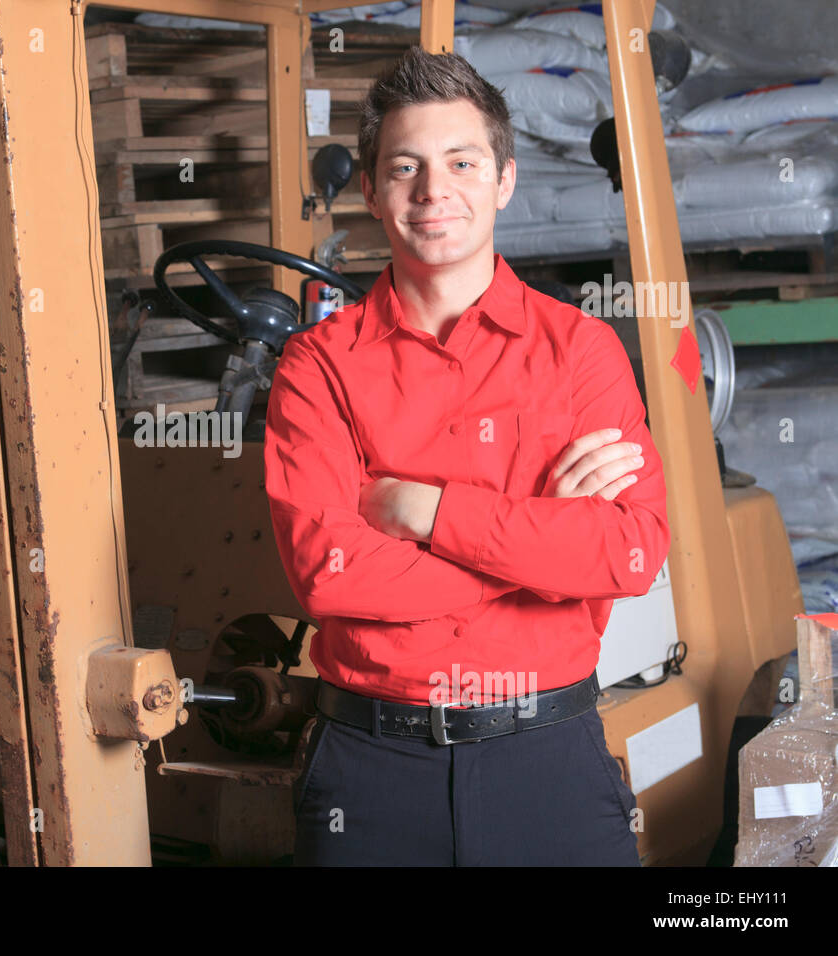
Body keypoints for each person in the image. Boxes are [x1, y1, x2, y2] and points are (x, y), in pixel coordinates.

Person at [263, 46, 671, 866]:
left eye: (461, 162)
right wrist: (538, 552)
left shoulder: (581, 353)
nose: (432, 190)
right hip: (373, 772)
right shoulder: (318, 366)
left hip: (548, 762)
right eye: (404, 166)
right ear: (374, 193)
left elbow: (628, 551)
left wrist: (429, 512)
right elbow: (329, 572)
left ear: (504, 180)